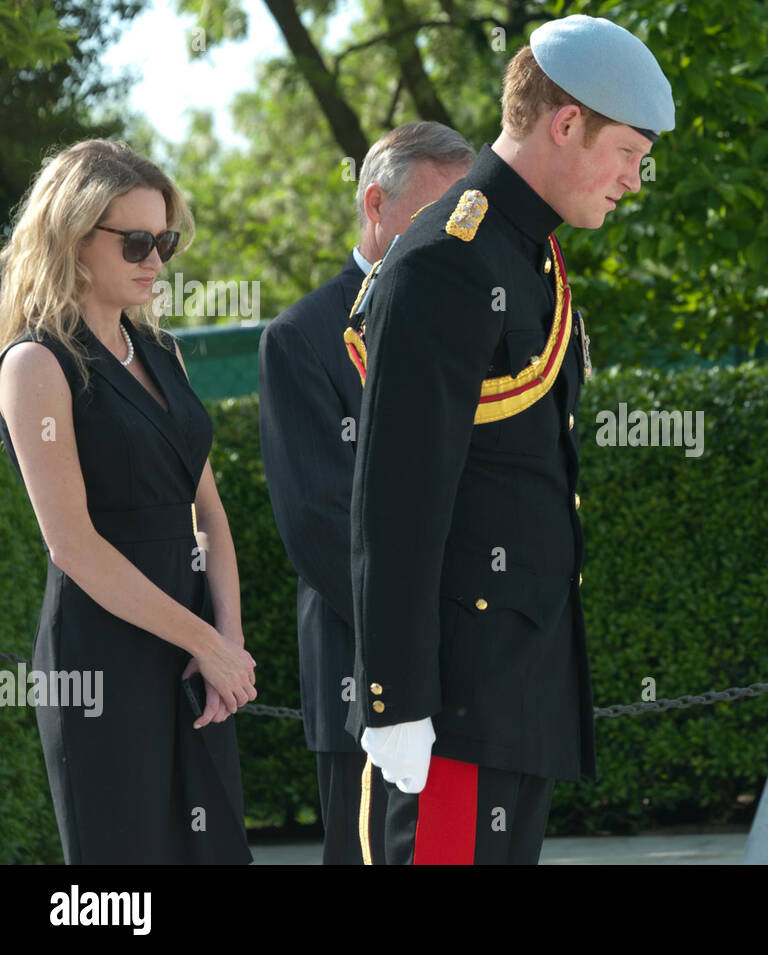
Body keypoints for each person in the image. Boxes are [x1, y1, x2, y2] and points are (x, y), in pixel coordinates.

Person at [344, 14, 674, 865]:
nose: (636, 180)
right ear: (566, 124)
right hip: (450, 706)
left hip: (512, 689)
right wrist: (397, 699)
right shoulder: (447, 260)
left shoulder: (523, 255)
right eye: (629, 154)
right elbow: (397, 503)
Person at [0, 139, 258, 864]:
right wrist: (206, 643)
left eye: (165, 240)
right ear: (75, 238)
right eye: (137, 241)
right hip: (103, 659)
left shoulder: (163, 352)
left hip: (197, 653)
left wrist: (227, 641)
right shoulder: (35, 363)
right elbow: (72, 545)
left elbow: (207, 511)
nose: (156, 260)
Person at [258, 121, 474, 865]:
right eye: (438, 213)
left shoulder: (478, 321)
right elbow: (320, 522)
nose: (456, 233)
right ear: (376, 204)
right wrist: (426, 627)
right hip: (367, 668)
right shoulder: (303, 336)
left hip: (472, 664)